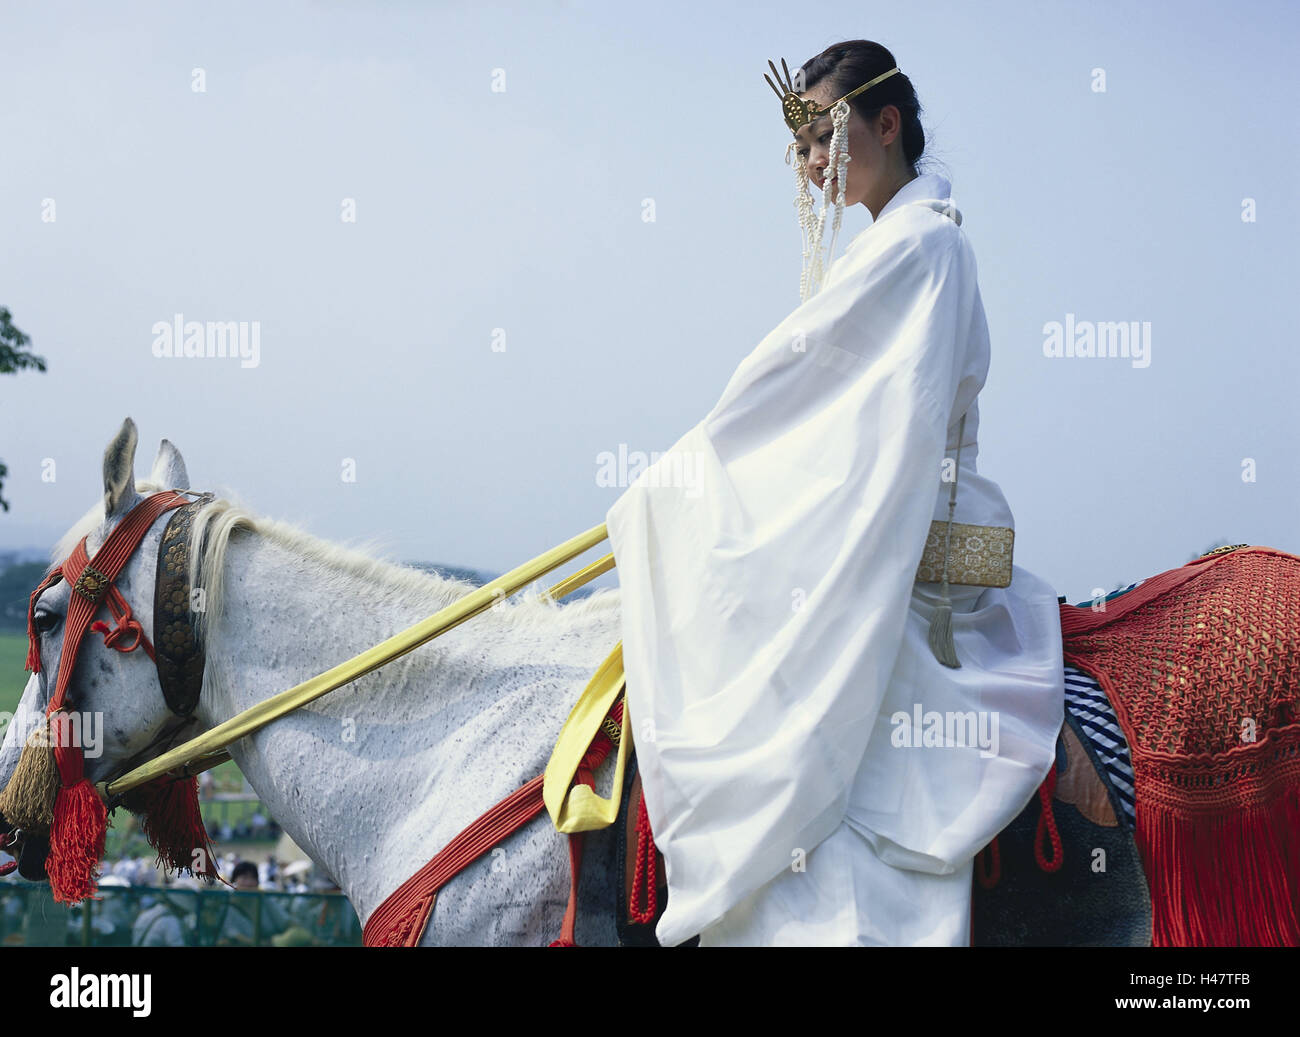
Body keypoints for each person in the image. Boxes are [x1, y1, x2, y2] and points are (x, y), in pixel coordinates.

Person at [606, 39, 1065, 946]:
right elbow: (813, 405)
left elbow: (838, 416)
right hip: (891, 513)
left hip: (923, 542)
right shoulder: (890, 248)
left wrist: (699, 466)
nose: (814, 164)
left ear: (885, 124)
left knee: (820, 723)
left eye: (824, 137)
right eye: (803, 149)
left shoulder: (926, 247)